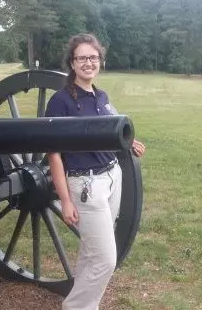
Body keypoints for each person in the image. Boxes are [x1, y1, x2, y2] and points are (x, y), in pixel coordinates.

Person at [45, 33, 145, 310]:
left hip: (112, 177)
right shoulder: (61, 101)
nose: (88, 62)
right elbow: (53, 154)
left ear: (99, 60)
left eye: (93, 57)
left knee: (92, 253)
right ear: (72, 63)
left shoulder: (101, 97)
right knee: (105, 259)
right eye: (82, 58)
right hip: (85, 185)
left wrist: (128, 142)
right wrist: (65, 200)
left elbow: (110, 128)